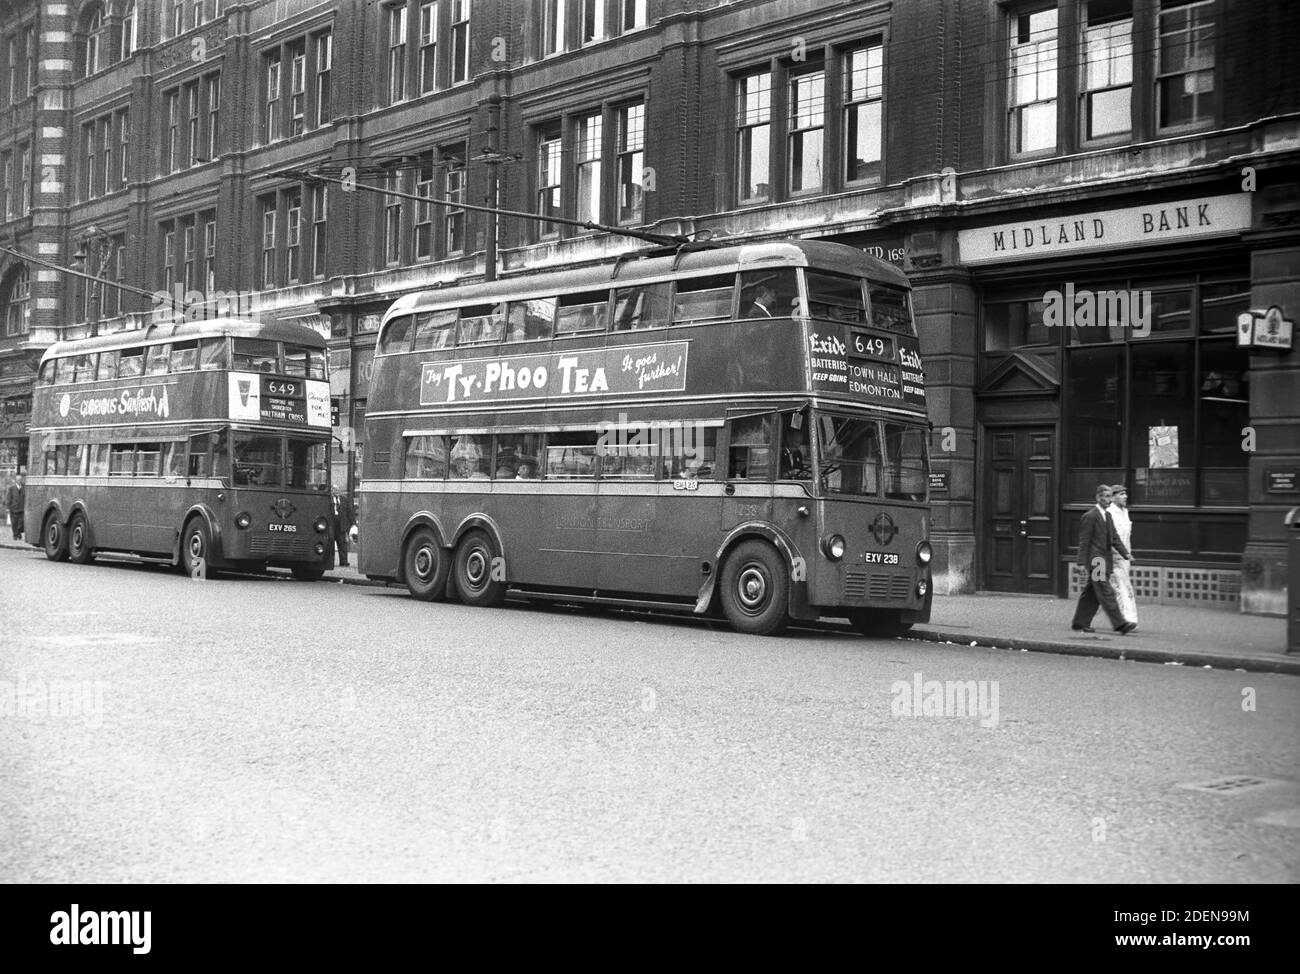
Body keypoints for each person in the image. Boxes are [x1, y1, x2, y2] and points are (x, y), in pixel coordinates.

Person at [1071, 484, 1135, 634]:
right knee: (1106, 592)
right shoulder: (1090, 516)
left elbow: (1114, 538)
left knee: (1091, 593)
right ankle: (1120, 624)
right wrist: (1081, 562)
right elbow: (1084, 541)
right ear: (1098, 498)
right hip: (1096, 562)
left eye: (1109, 497)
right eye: (1105, 497)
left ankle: (1080, 623)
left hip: (1104, 561)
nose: (1108, 500)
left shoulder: (1107, 516)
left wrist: (1126, 554)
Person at [1108, 484, 1137, 626]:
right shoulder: (1109, 513)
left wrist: (1128, 555)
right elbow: (1111, 538)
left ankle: (1083, 618)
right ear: (1112, 497)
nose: (1125, 496)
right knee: (1123, 587)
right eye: (1121, 494)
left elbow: (1127, 537)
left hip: (1125, 557)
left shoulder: (1125, 512)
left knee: (1103, 589)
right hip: (1113, 557)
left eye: (1125, 493)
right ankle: (1128, 619)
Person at [332, 490, 354, 567]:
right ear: (332, 491)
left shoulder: (344, 499)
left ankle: (344, 561)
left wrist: (353, 523)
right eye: (334, 489)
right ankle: (330, 561)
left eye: (337, 490)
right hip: (332, 524)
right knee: (330, 544)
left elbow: (349, 512)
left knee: (342, 544)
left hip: (341, 525)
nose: (336, 491)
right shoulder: (329, 499)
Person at [4, 472, 24, 541]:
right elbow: (8, 499)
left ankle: (18, 532)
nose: (19, 481)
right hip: (14, 509)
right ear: (16, 480)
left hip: (22, 509)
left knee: (21, 523)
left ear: (22, 480)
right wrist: (7, 508)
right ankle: (15, 535)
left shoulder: (24, 488)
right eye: (18, 480)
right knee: (14, 523)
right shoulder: (11, 488)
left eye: (20, 479)